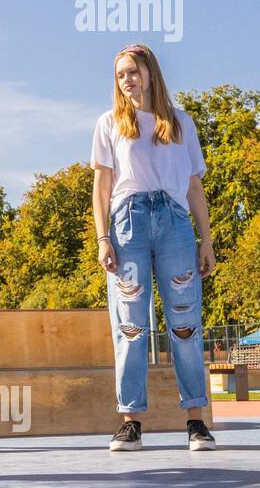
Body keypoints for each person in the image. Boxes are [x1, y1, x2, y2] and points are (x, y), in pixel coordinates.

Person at [91, 44, 217, 452]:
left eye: (133, 72)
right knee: (130, 325)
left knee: (185, 322)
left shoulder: (181, 123)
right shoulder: (109, 124)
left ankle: (196, 421)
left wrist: (207, 241)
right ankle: (131, 422)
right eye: (120, 75)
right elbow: (102, 187)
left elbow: (195, 188)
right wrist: (103, 238)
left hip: (176, 223)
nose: (127, 80)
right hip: (128, 223)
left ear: (150, 73)